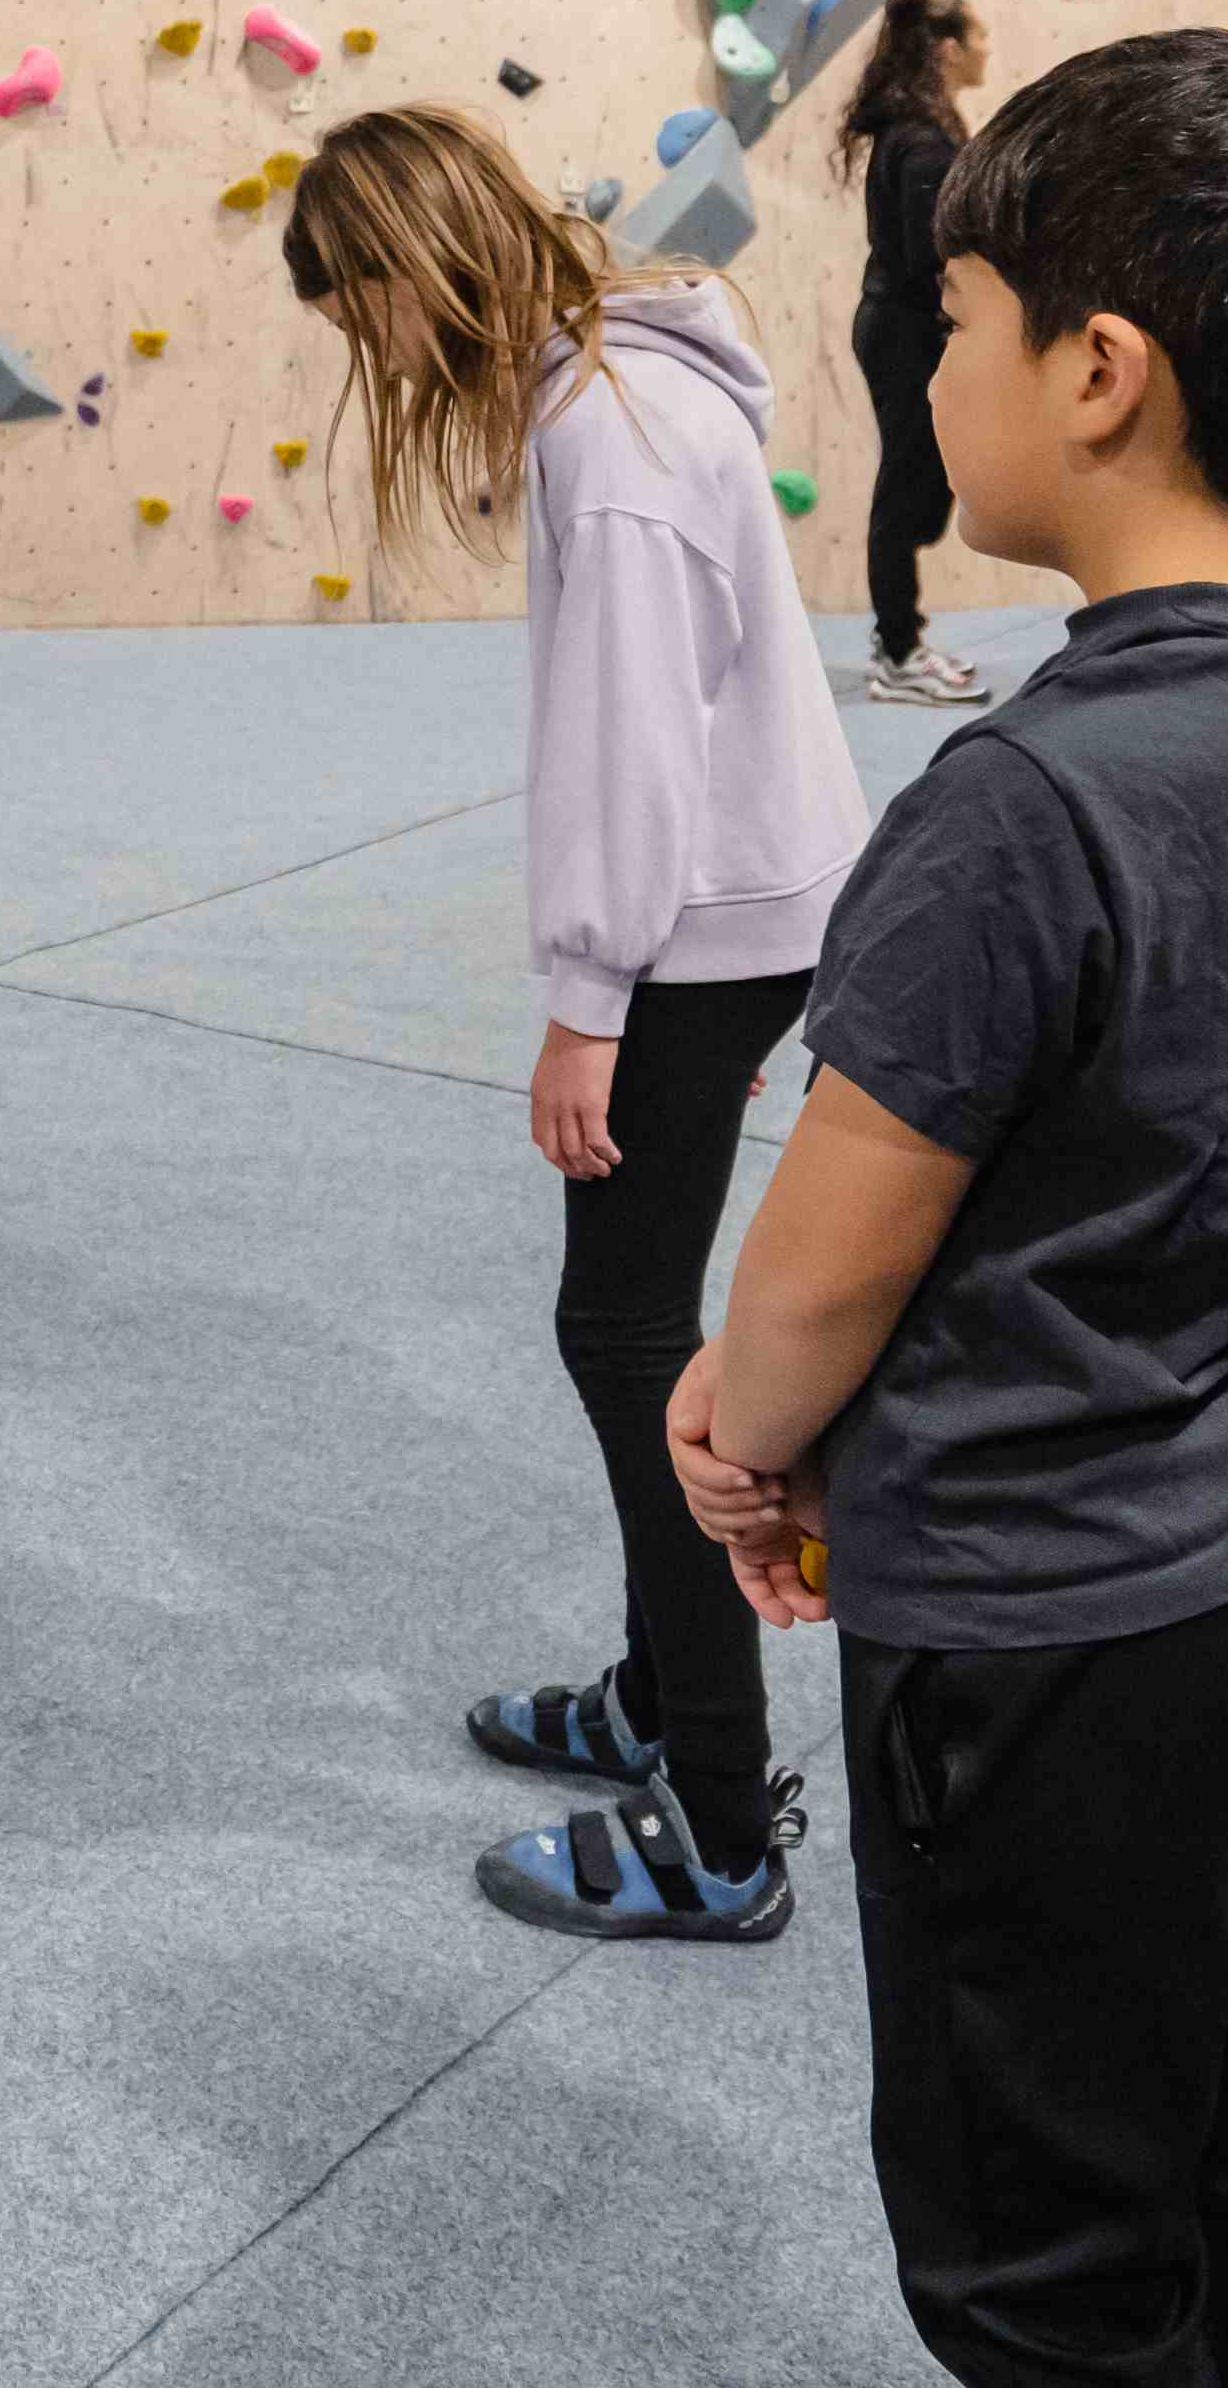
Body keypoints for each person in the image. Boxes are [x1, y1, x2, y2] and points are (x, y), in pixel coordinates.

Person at [668, 27, 1228, 2388]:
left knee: (1039, 2268)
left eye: (955, 319)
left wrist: (734, 1428)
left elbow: (827, 1259)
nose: (924, 364)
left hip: (1041, 1627)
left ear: (1097, 372)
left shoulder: (1019, 803)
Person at [276, 107, 870, 1943]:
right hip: (747, 899)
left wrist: (583, 1004)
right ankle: (654, 1694)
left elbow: (634, 748)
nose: (373, 355)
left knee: (623, 1335)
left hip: (697, 926)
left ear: (415, 263)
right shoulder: (615, 385)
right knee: (628, 1320)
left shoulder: (607, 438)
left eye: (360, 310)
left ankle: (718, 1821)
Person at [831, 0, 993, 707]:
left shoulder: (922, 129)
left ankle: (897, 640)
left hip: (907, 328)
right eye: (978, 37)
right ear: (948, 49)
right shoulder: (922, 141)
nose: (987, 50)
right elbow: (932, 256)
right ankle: (897, 654)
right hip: (904, 334)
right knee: (905, 488)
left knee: (923, 486)